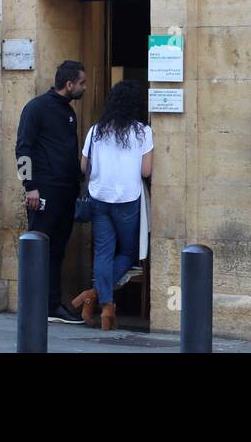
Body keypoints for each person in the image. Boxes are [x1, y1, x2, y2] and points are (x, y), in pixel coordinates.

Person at [71, 79, 153, 331]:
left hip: (99, 197)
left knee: (103, 252)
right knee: (129, 254)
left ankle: (101, 301)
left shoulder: (95, 130)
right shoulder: (143, 132)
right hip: (128, 200)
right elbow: (146, 171)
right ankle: (99, 299)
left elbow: (84, 167)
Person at [15, 59, 86, 324]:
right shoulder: (36, 109)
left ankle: (51, 305)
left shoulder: (69, 112)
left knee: (57, 250)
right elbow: (23, 149)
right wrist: (30, 187)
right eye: (82, 83)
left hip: (67, 192)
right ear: (69, 84)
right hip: (43, 192)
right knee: (38, 249)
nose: (84, 88)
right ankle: (35, 305)